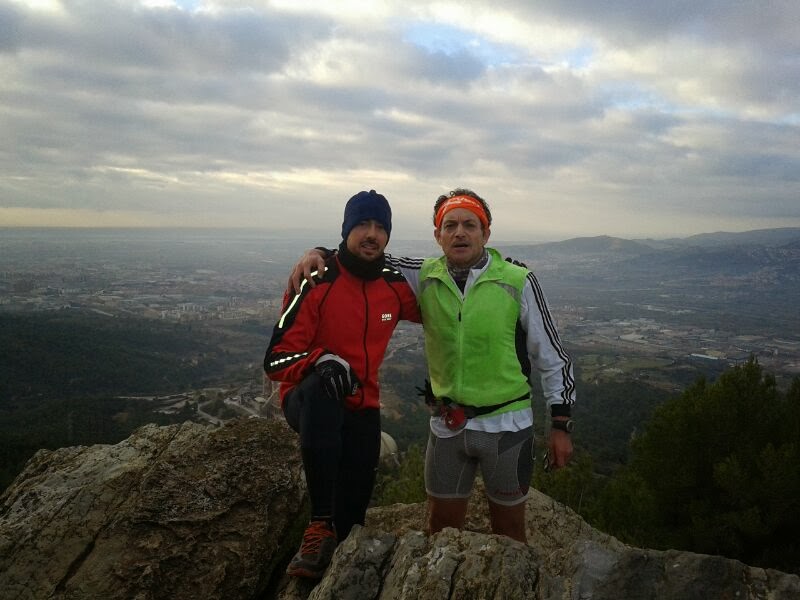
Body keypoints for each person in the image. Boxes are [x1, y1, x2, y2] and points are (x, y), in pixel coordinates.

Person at [292, 188, 575, 544]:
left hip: (508, 425)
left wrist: (561, 424)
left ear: (486, 234)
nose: (460, 232)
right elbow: (365, 252)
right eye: (450, 225)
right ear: (438, 236)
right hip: (448, 426)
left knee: (510, 531)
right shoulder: (423, 274)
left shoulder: (517, 281)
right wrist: (319, 253)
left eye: (470, 225)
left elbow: (552, 356)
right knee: (440, 529)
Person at [264, 190, 421, 579]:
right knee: (324, 385)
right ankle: (317, 526)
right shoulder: (316, 279)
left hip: (362, 405)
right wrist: (320, 359)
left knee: (352, 522)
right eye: (362, 225)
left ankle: (335, 544)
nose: (371, 234)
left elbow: (451, 306)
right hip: (309, 401)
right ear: (346, 230)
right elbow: (275, 359)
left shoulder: (395, 286)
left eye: (380, 227)